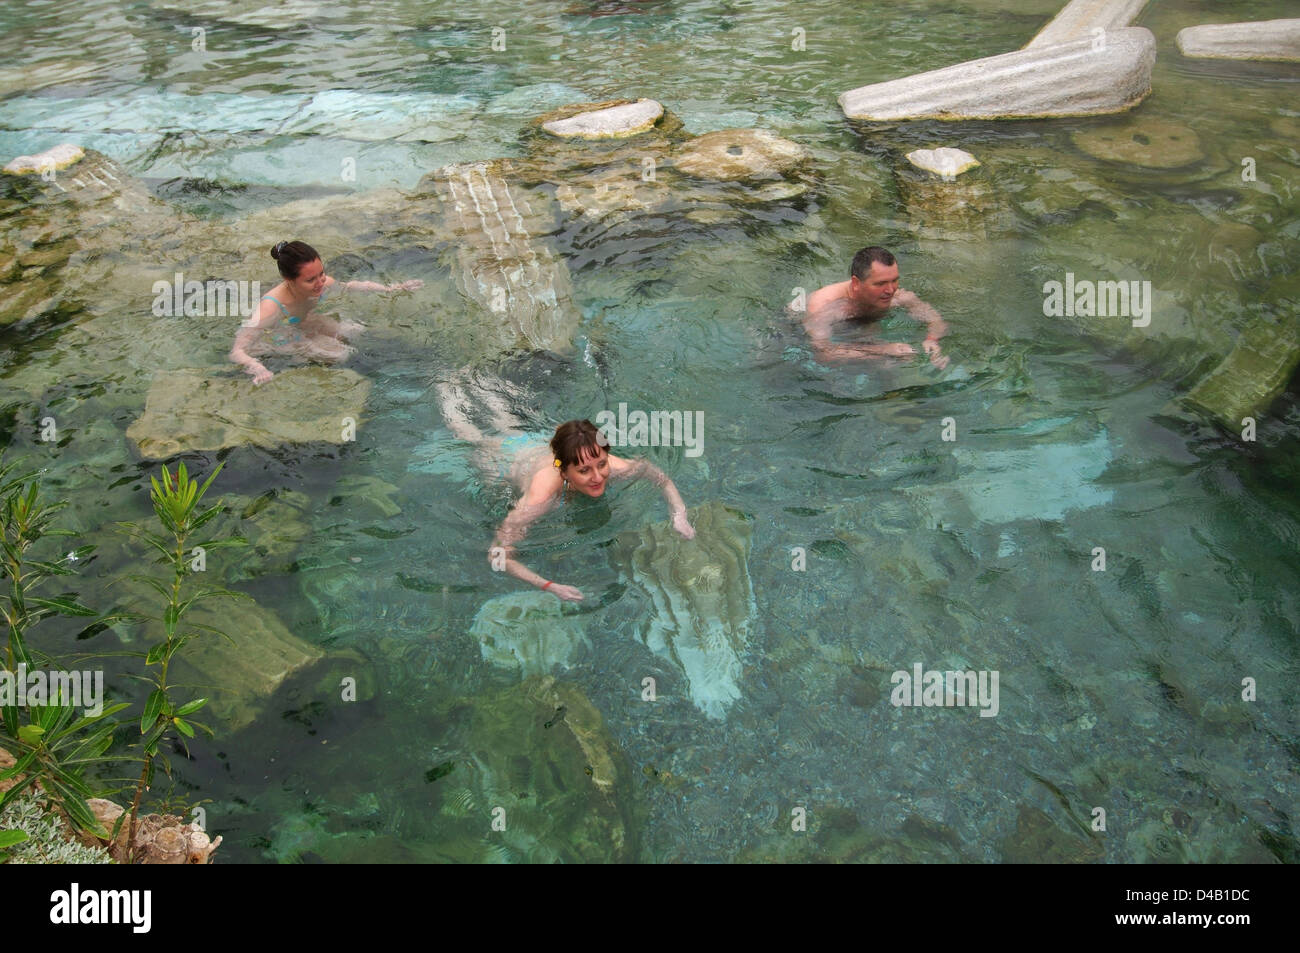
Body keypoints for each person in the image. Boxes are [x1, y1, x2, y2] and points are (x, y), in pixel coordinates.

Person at [229, 240, 423, 385]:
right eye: (311, 279)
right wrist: (258, 369)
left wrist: (394, 288)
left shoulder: (322, 282)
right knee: (340, 354)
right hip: (280, 336)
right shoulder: (269, 308)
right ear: (288, 279)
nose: (321, 282)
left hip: (303, 322)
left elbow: (350, 287)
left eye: (321, 274)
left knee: (353, 331)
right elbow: (237, 351)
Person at [803, 246, 950, 370]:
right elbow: (823, 354)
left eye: (895, 280)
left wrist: (932, 340)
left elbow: (935, 320)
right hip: (797, 334)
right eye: (881, 284)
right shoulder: (824, 305)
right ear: (855, 283)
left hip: (859, 332)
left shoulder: (899, 297)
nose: (890, 290)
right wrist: (883, 350)